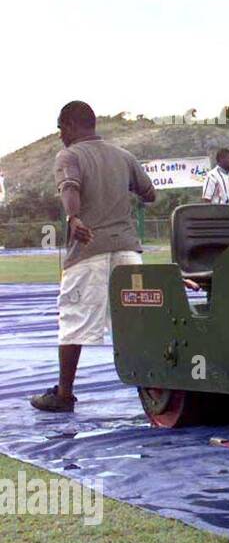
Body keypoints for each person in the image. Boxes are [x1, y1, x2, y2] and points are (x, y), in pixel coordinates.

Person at [30, 101, 157, 413]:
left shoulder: (69, 155)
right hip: (129, 252)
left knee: (73, 319)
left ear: (71, 125)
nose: (60, 135)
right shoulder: (124, 155)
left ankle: (64, 394)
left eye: (61, 128)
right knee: (138, 324)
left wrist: (74, 218)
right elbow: (150, 193)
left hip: (89, 250)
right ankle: (159, 391)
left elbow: (69, 187)